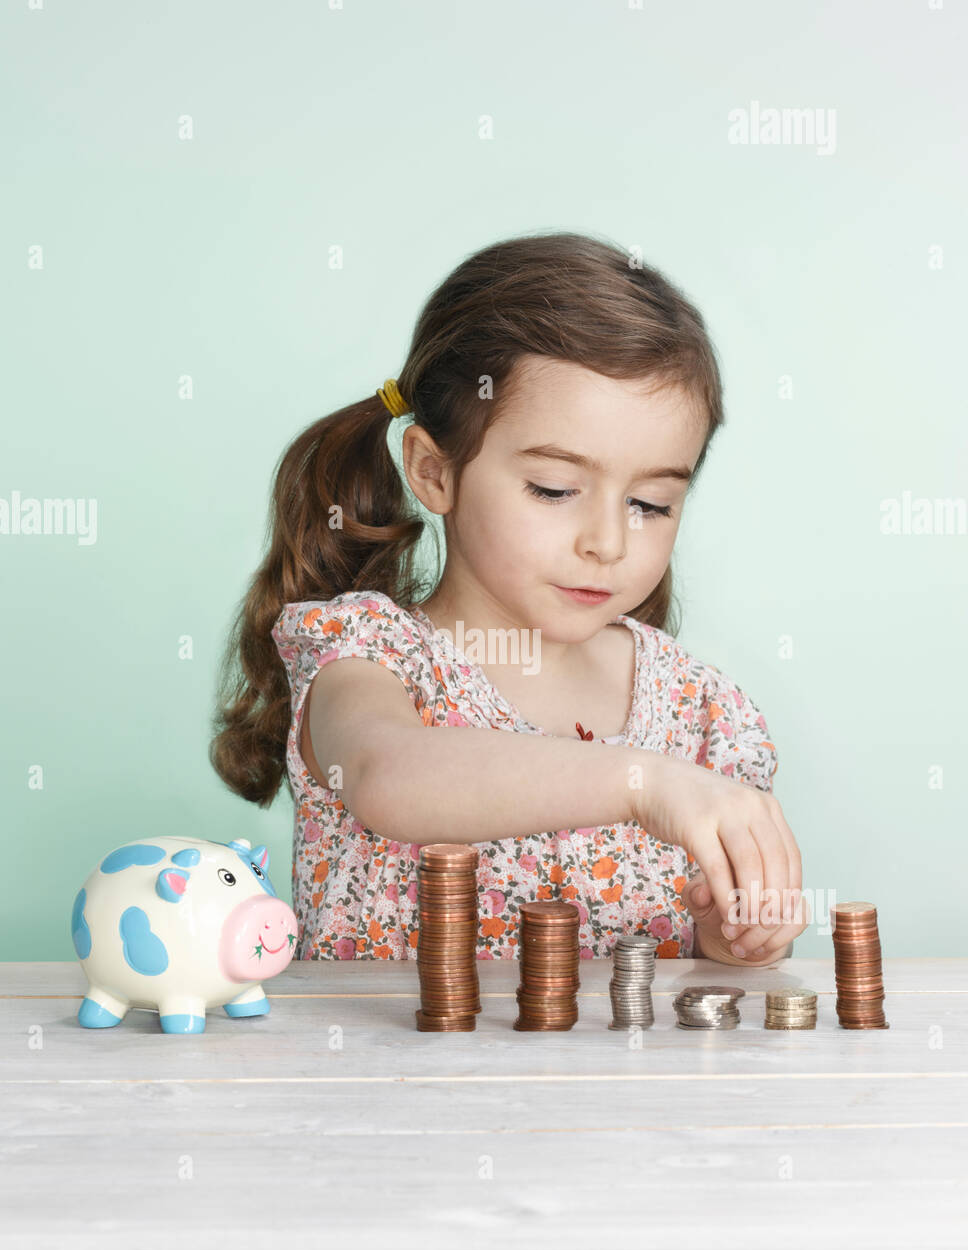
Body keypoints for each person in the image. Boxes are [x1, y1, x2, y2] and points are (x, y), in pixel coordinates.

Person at [210, 232, 807, 965]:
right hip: (382, 1081)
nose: (607, 542)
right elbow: (384, 774)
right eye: (554, 490)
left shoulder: (701, 712)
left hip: (620, 1084)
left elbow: (710, 946)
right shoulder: (368, 656)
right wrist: (639, 782)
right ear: (434, 472)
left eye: (649, 503)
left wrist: (736, 933)